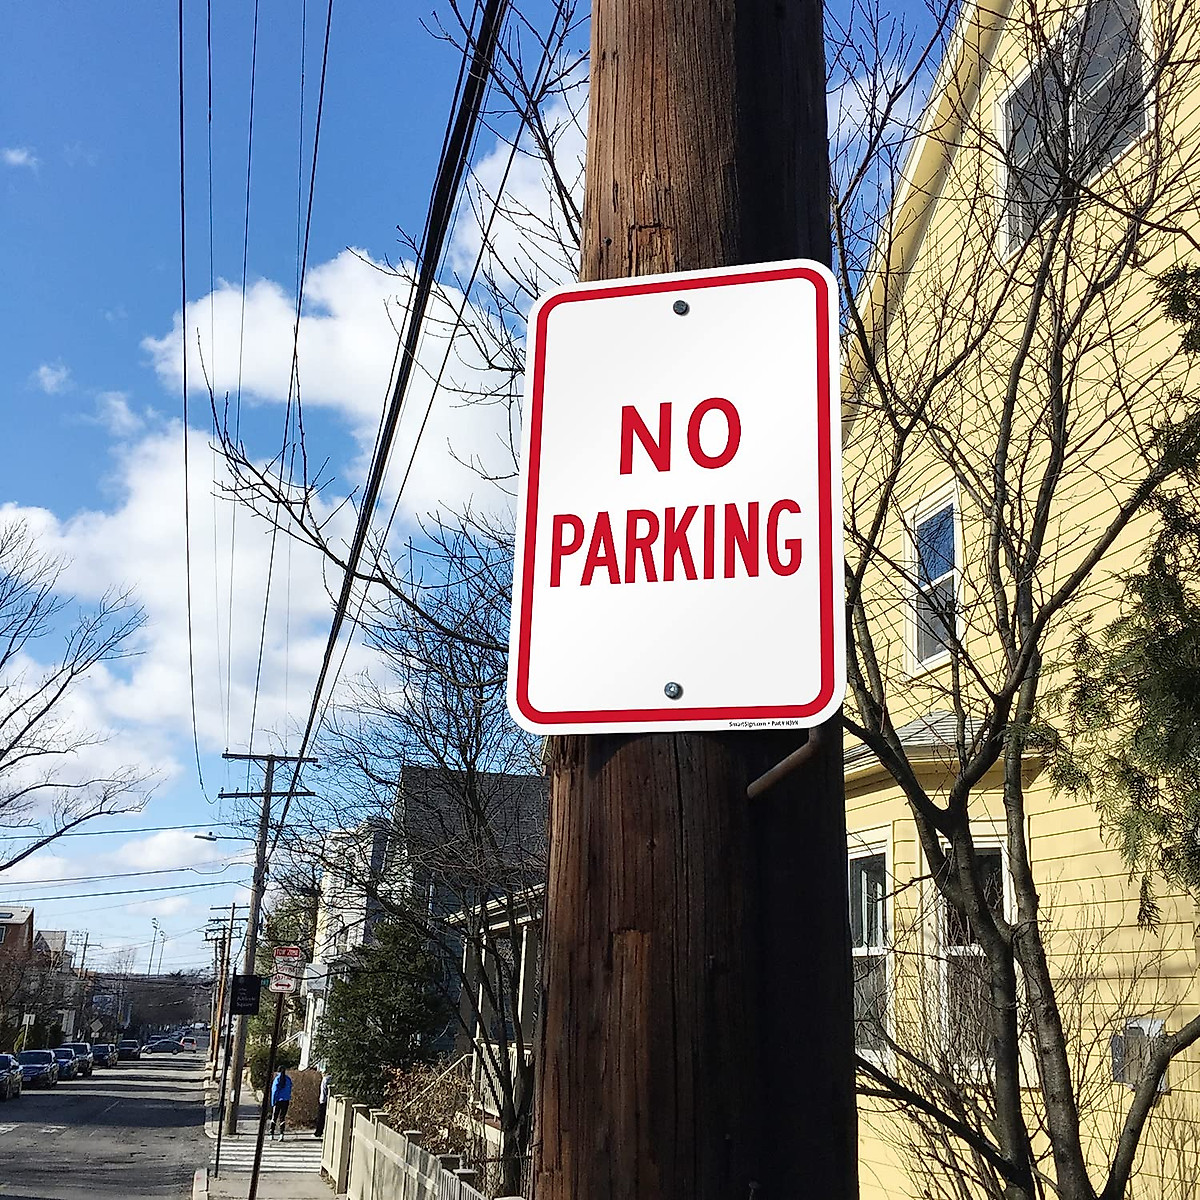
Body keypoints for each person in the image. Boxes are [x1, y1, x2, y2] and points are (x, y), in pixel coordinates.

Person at [269, 1067, 293, 1140]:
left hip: (278, 1101)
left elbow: (274, 1091)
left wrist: (273, 1102)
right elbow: (290, 1088)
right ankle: (281, 1134)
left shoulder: (277, 1079)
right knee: (282, 1117)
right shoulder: (288, 1079)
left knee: (274, 1117)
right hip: (285, 1100)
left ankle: (271, 1133)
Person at [314, 1071, 331, 1138]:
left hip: (323, 1101)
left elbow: (324, 1091)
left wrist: (322, 1100)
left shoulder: (325, 1079)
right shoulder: (330, 1079)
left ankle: (318, 1132)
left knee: (321, 1117)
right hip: (328, 1100)